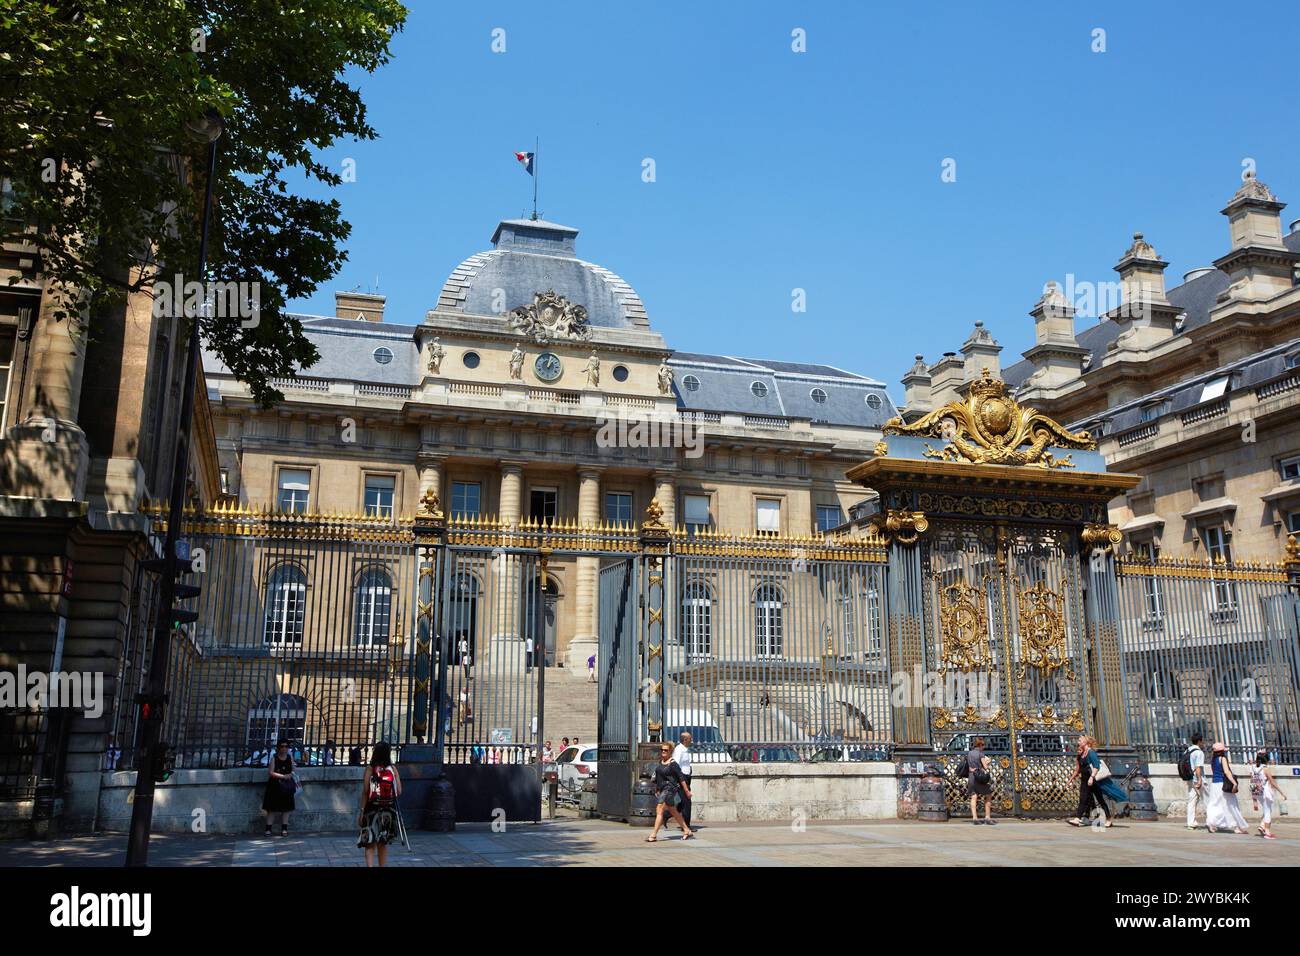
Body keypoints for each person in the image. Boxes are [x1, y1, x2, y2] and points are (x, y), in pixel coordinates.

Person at [357, 742, 404, 867]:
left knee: (369, 843)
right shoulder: (393, 769)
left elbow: (366, 792)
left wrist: (361, 811)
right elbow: (399, 791)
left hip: (371, 809)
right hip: (388, 810)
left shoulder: (370, 769)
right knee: (382, 843)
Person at [1068, 735, 1125, 827]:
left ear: (1085, 742)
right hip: (1085, 780)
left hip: (1094, 781)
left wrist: (1091, 777)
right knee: (1083, 799)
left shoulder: (1091, 753)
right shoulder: (1082, 754)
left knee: (1100, 800)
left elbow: (1096, 766)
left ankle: (1109, 819)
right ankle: (1077, 818)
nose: (1078, 741)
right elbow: (1079, 769)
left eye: (1080, 740)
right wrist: (1071, 779)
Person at [646, 744, 693, 842]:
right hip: (663, 789)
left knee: (659, 809)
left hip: (670, 789)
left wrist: (687, 791)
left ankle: (653, 835)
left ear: (670, 751)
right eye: (662, 750)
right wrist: (657, 789)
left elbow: (681, 778)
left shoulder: (673, 764)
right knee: (673, 810)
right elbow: (659, 777)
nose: (663, 751)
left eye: (666, 750)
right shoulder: (661, 762)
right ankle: (686, 830)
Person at [1206, 742, 1249, 834]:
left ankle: (1211, 823)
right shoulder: (1223, 759)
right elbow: (1227, 772)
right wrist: (1234, 783)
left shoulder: (1213, 760)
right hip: (1223, 784)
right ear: (1222, 751)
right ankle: (1236, 827)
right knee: (1231, 805)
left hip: (1214, 784)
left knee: (1215, 804)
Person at [261, 738, 296, 836]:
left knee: (286, 809)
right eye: (282, 746)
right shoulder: (274, 758)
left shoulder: (290, 757)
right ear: (278, 748)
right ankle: (268, 829)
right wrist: (283, 776)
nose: (284, 748)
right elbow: (271, 772)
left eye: (286, 746)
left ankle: (284, 828)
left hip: (287, 786)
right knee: (272, 809)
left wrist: (291, 774)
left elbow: (293, 768)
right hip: (275, 786)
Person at [1250, 750, 1284, 839]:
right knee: (1268, 812)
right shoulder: (1265, 769)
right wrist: (1282, 792)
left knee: (1266, 810)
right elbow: (1272, 782)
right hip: (1265, 792)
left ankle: (1262, 827)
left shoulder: (1252, 768)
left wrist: (1254, 801)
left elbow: (1252, 782)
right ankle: (1267, 832)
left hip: (1257, 792)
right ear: (1266, 761)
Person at [966, 736, 994, 825]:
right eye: (983, 745)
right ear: (980, 745)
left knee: (974, 796)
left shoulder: (970, 753)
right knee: (988, 795)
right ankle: (987, 817)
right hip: (980, 777)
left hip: (971, 777)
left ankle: (975, 818)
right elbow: (985, 767)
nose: (984, 747)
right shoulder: (981, 753)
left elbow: (969, 765)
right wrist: (988, 762)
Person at [1183, 734, 1206, 830]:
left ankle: (1190, 823)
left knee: (1192, 801)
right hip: (1197, 779)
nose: (1203, 743)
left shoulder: (1187, 750)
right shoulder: (1199, 752)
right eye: (1202, 741)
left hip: (1189, 778)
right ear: (1199, 741)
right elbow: (1198, 767)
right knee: (1209, 799)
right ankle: (1213, 821)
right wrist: (1200, 779)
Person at [673, 731, 694, 828]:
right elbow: (676, 765)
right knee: (687, 801)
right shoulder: (679, 749)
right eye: (690, 738)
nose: (691, 740)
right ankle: (686, 825)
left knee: (682, 802)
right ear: (685, 740)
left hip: (687, 777)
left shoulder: (685, 749)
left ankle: (666, 815)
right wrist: (680, 778)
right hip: (682, 778)